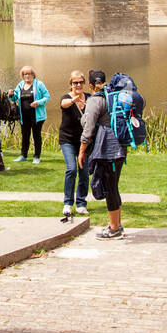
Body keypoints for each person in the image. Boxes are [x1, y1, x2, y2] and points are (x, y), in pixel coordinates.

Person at [79, 69, 126, 239]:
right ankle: (117, 225)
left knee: (110, 188)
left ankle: (114, 228)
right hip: (120, 147)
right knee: (113, 186)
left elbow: (88, 129)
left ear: (90, 85)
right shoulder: (112, 97)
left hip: (108, 150)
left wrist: (82, 151)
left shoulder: (95, 101)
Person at [58, 70, 90, 220]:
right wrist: (73, 101)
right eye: (75, 83)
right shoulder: (66, 98)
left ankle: (81, 203)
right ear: (70, 84)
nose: (78, 85)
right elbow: (63, 104)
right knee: (71, 169)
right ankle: (68, 203)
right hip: (68, 140)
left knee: (83, 171)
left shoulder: (89, 99)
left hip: (84, 141)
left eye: (80, 82)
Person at [11, 65, 50, 164]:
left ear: (33, 74)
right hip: (24, 116)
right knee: (25, 136)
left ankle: (37, 156)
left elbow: (47, 97)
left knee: (36, 136)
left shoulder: (39, 84)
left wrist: (38, 102)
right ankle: (23, 155)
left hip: (37, 116)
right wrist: (11, 95)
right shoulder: (20, 85)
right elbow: (14, 98)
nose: (27, 76)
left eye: (29, 74)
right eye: (25, 74)